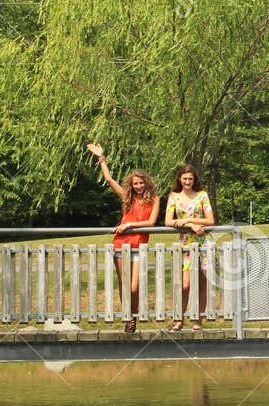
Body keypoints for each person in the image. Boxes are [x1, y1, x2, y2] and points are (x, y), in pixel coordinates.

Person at [87, 143, 157, 333]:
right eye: (136, 184)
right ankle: (130, 318)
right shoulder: (127, 197)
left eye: (141, 183)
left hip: (138, 245)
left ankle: (133, 314)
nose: (139, 186)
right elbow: (109, 179)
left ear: (146, 183)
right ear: (132, 185)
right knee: (125, 285)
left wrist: (129, 225)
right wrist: (102, 158)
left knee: (134, 287)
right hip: (121, 245)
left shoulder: (154, 199)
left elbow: (151, 223)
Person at [164, 163, 215, 331]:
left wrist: (187, 221)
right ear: (180, 179)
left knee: (202, 284)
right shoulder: (174, 196)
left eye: (190, 179)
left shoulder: (202, 196)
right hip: (185, 245)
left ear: (194, 180)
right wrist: (191, 226)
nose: (187, 182)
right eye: (185, 178)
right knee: (185, 285)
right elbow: (168, 221)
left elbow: (210, 220)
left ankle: (198, 320)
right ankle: (179, 320)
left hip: (202, 244)